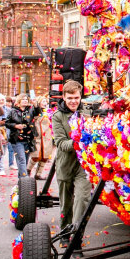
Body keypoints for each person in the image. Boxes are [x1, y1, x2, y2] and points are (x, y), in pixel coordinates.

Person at [52, 80, 91, 231]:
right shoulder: (58, 116)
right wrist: (79, 140)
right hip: (66, 164)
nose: (73, 101)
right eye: (70, 98)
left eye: (76, 97)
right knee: (66, 204)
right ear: (63, 97)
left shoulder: (87, 113)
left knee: (82, 200)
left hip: (84, 165)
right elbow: (61, 143)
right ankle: (65, 232)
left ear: (80, 96)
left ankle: (76, 237)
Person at [5, 94, 32, 178]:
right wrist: (15, 126)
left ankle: (21, 180)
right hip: (16, 138)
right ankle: (25, 179)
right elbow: (7, 123)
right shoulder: (13, 111)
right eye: (23, 99)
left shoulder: (30, 111)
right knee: (21, 159)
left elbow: (38, 114)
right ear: (18, 101)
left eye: (26, 99)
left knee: (26, 160)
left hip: (27, 138)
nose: (25, 101)